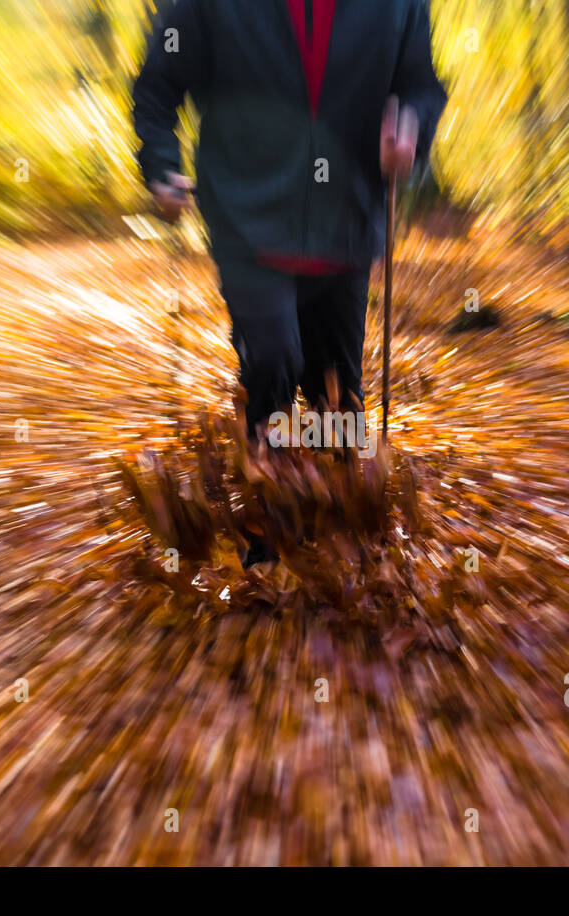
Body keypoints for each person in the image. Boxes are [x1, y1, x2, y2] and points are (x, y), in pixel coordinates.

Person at [133, 0, 446, 566]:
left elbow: (421, 85)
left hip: (347, 223)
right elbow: (158, 83)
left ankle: (339, 551)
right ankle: (267, 545)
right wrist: (160, 165)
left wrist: (413, 131)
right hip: (247, 221)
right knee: (272, 364)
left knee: (339, 402)